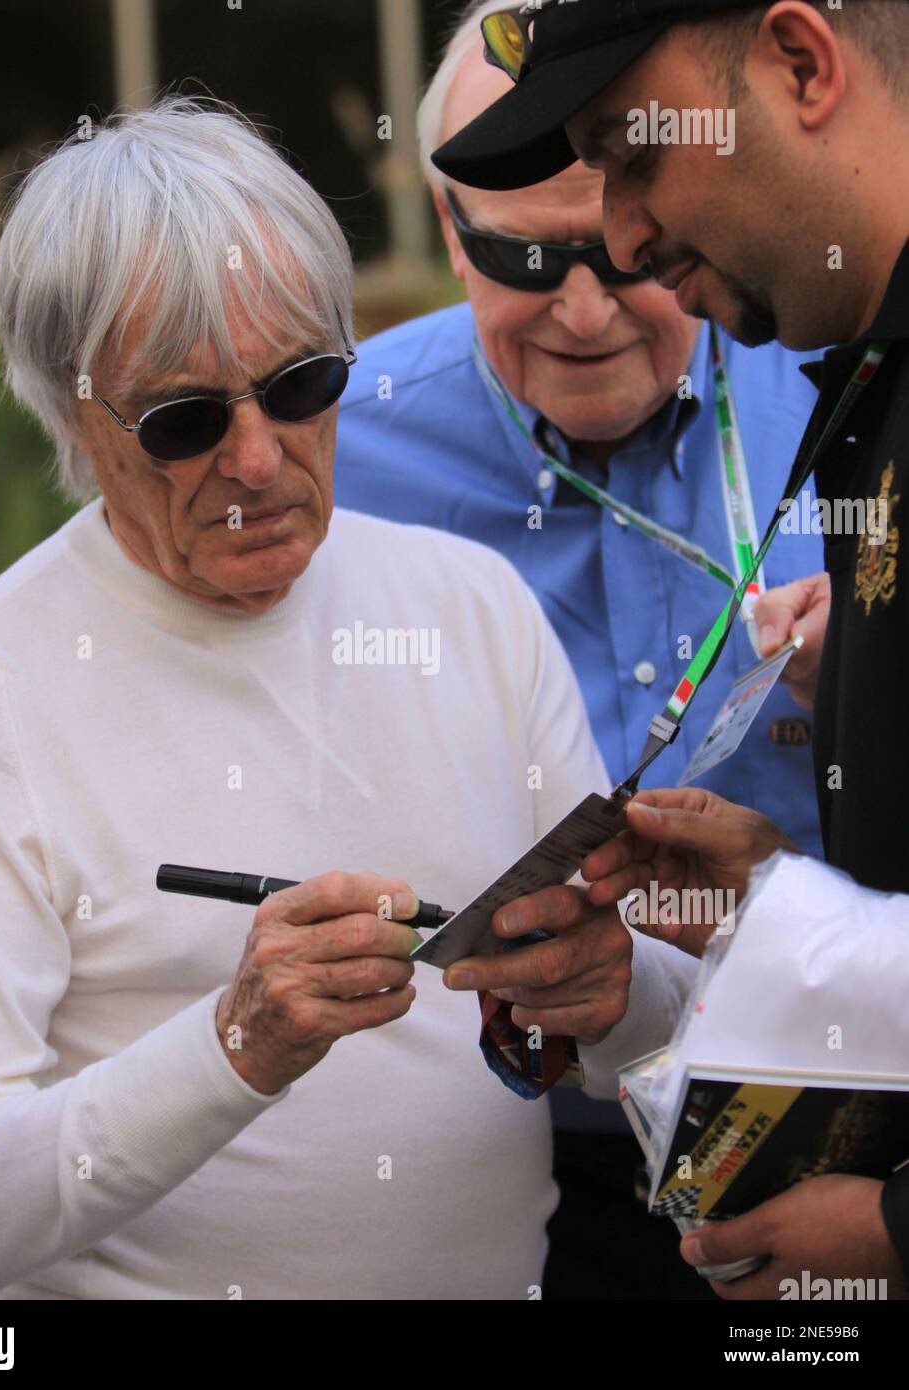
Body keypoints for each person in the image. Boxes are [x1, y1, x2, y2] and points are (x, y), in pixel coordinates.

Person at [0, 95, 689, 1301]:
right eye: (186, 418)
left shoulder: (472, 607)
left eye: (301, 385)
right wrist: (233, 1044)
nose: (257, 459)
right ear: (74, 416)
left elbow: (640, 1054)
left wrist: (615, 994)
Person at [334, 0, 824, 1299]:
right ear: (449, 230)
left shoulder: (849, 397)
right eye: (532, 261)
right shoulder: (329, 453)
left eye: (635, 252)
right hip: (501, 1151)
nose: (592, 311)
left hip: (825, 1116)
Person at [431, 0, 909, 1296]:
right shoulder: (860, 375)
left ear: (802, 65)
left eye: (634, 157)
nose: (620, 243)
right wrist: (764, 897)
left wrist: (889, 1237)